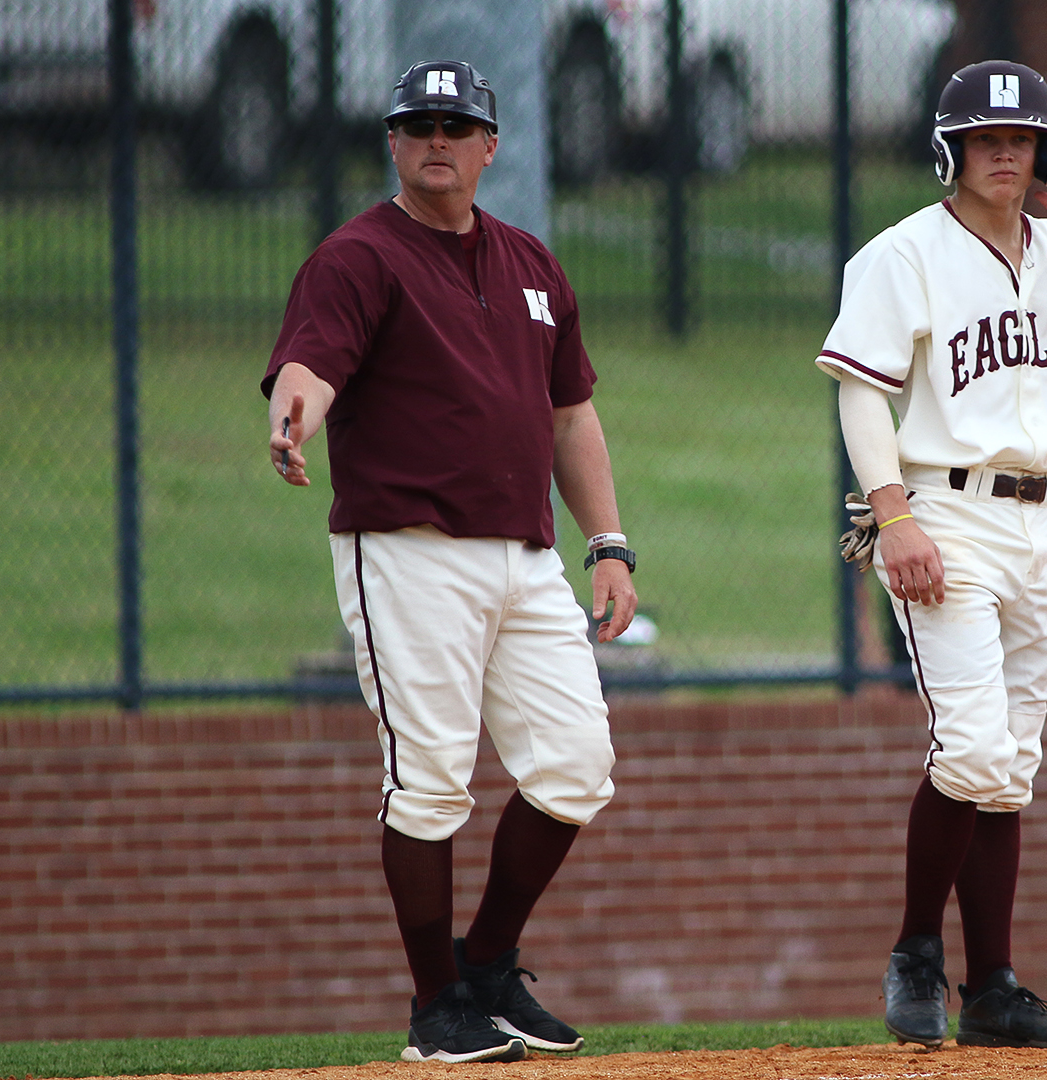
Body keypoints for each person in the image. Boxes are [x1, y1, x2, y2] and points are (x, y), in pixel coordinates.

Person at [262, 60, 636, 1064]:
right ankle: (437, 1011)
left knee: (576, 768)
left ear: (490, 146)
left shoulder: (531, 263)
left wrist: (606, 543)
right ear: (393, 141)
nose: (437, 139)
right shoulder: (357, 258)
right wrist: (291, 419)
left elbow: (571, 413)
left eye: (456, 124)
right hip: (407, 553)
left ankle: (486, 965)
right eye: (417, 123)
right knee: (428, 785)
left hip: (526, 558)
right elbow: (310, 366)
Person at [820, 60, 1047, 1050]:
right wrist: (893, 517)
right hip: (947, 510)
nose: (1006, 153)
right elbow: (863, 391)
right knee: (971, 746)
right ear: (951, 150)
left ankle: (995, 989)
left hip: (1046, 520)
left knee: (1008, 769)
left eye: (1022, 139)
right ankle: (913, 955)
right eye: (986, 138)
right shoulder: (905, 254)